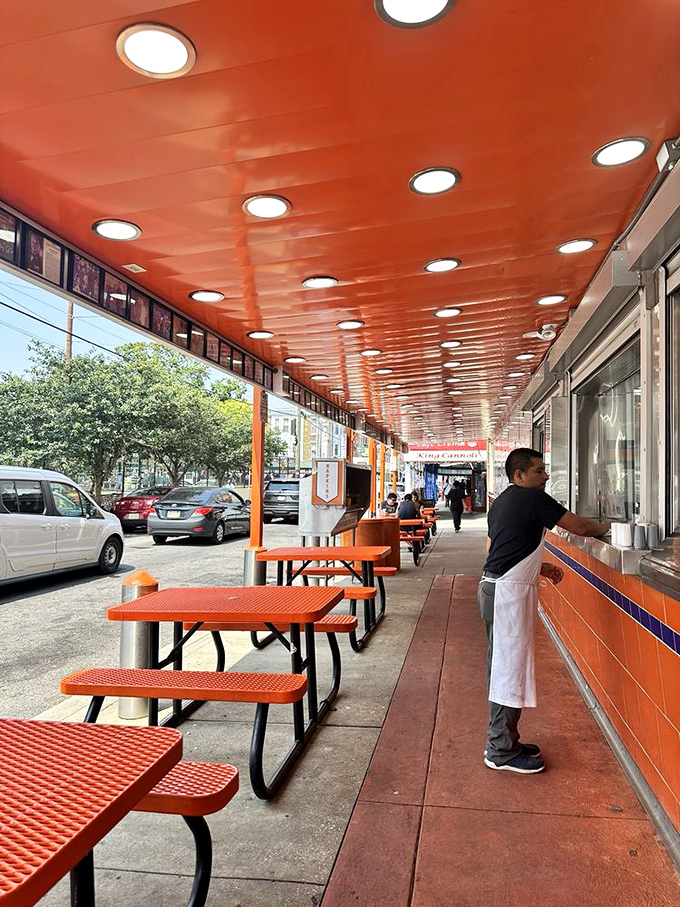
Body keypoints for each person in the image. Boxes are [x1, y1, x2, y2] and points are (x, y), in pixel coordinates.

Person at [479, 448, 609, 775]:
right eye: (538, 471)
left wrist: (537, 567)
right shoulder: (534, 499)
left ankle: (506, 739)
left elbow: (503, 548)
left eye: (545, 470)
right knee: (507, 670)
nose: (546, 476)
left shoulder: (504, 501)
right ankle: (499, 750)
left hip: (496, 587)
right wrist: (613, 528)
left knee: (505, 666)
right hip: (506, 594)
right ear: (519, 475)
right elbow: (578, 526)